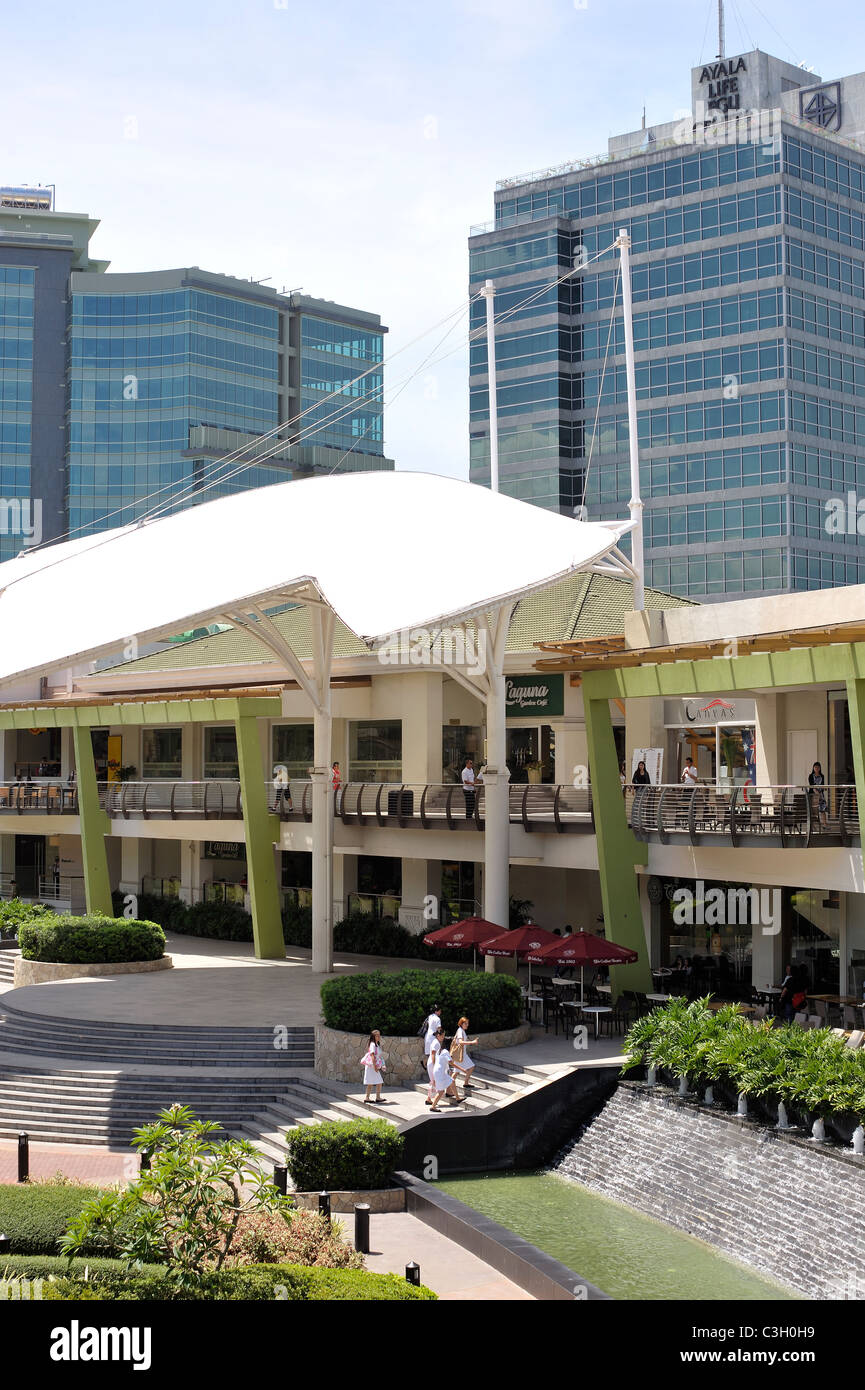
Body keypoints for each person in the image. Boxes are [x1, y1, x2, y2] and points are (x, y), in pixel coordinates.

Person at [429, 1032, 462, 1111]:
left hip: (439, 1071)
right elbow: (451, 1063)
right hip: (440, 1072)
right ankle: (433, 1107)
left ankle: (458, 1098)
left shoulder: (440, 1050)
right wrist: (462, 1069)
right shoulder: (445, 1052)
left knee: (451, 1081)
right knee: (441, 1091)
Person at [451, 1016, 479, 1089]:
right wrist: (472, 1042)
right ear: (461, 1024)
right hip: (461, 1055)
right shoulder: (460, 1031)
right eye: (465, 1023)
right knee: (471, 1067)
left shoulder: (461, 1030)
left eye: (467, 1023)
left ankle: (452, 1085)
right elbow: (460, 1042)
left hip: (461, 1054)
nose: (467, 1025)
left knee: (456, 1071)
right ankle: (462, 1083)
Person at [361, 1029, 386, 1104]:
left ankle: (372, 1097)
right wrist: (375, 1066)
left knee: (376, 1082)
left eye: (379, 1035)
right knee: (374, 1082)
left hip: (373, 1066)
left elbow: (378, 1056)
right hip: (372, 1066)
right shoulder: (372, 1044)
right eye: (377, 1035)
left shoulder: (376, 1044)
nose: (379, 1037)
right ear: (373, 1036)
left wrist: (381, 1065)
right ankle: (371, 1097)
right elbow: (372, 1055)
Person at [423, 1003, 442, 1099]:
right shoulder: (438, 1019)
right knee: (434, 1054)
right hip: (433, 1037)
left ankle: (428, 1069)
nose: (441, 1012)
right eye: (440, 1010)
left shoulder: (430, 1016)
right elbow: (439, 1029)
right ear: (437, 1011)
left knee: (429, 1055)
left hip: (427, 1037)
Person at [808, 761, 828, 829]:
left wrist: (823, 789)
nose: (816, 768)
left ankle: (824, 824)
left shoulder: (822, 776)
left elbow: (822, 784)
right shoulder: (811, 776)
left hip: (820, 795)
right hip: (813, 795)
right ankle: (812, 826)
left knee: (823, 809)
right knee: (814, 810)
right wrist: (816, 792)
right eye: (815, 767)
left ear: (820, 768)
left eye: (818, 767)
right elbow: (812, 785)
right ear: (813, 768)